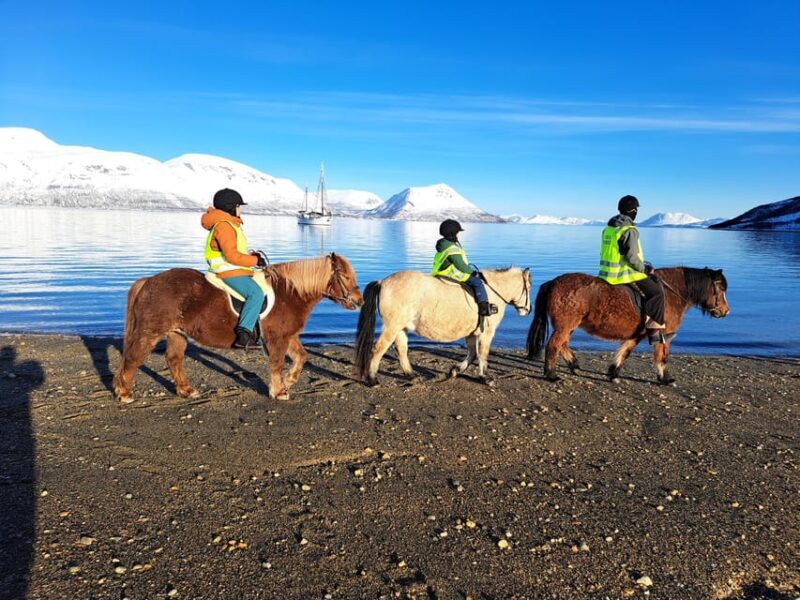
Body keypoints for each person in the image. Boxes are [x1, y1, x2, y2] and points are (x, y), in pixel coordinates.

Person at [201, 188, 268, 348]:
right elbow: (231, 256)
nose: (240, 209)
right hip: (228, 271)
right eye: (239, 206)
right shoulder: (224, 226)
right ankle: (244, 334)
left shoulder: (228, 224)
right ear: (230, 207)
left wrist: (250, 255)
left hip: (232, 268)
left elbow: (235, 251)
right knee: (256, 294)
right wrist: (255, 260)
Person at [599, 195, 668, 344]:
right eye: (636, 210)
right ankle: (654, 333)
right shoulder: (629, 230)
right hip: (621, 275)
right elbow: (631, 258)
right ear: (633, 211)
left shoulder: (609, 229)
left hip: (605, 274)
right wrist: (645, 269)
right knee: (657, 291)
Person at [432, 219, 497, 317]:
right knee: (477, 282)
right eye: (458, 232)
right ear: (452, 233)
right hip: (449, 274)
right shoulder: (452, 249)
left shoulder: (443, 245)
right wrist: (473, 272)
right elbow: (461, 266)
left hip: (438, 273)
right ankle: (483, 307)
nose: (459, 234)